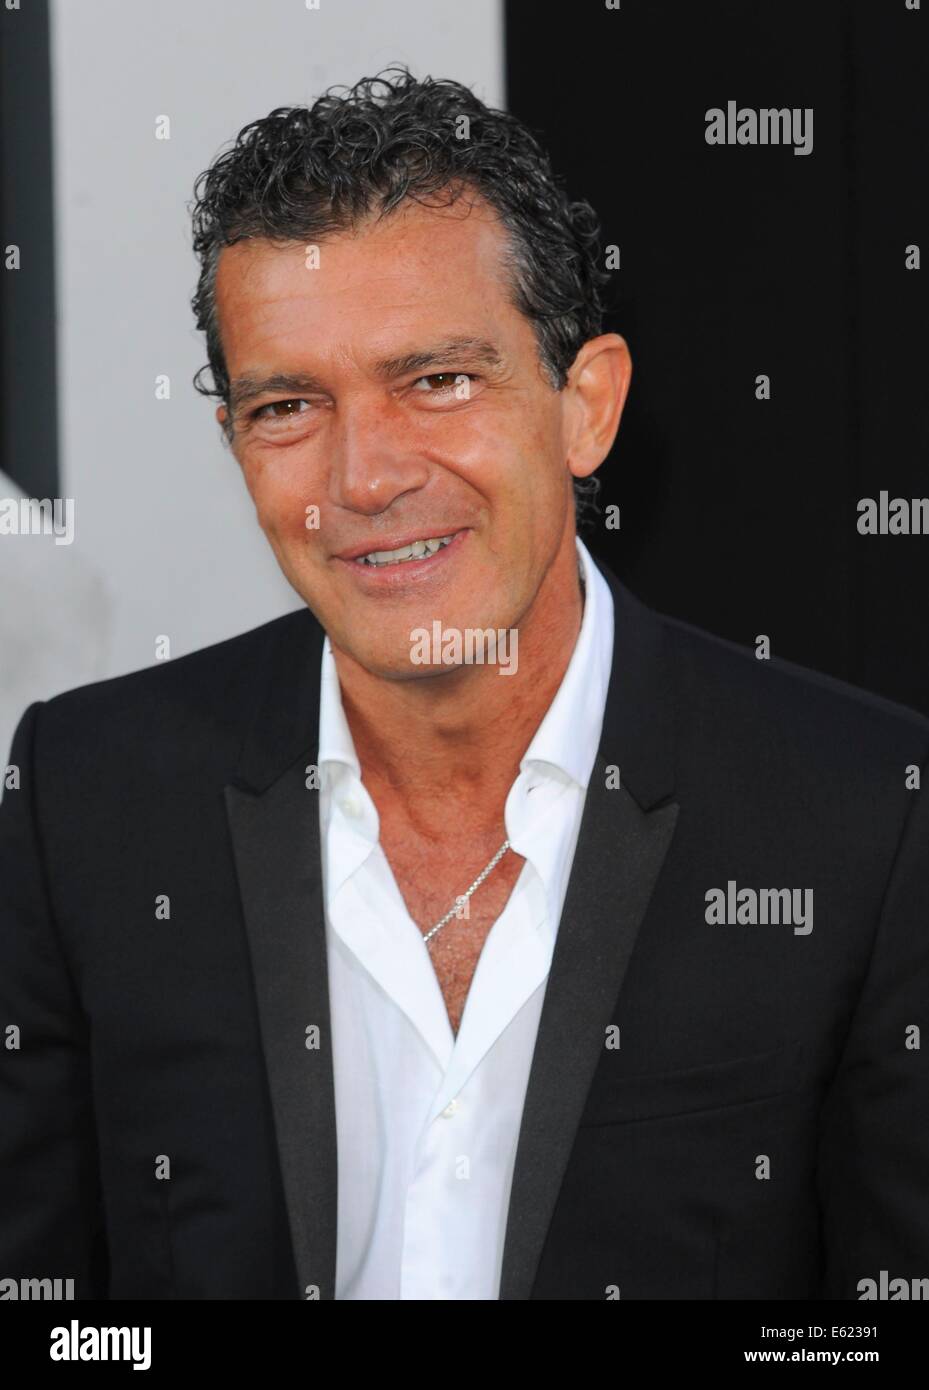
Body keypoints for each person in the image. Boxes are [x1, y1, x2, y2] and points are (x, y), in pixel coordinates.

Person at [1, 67, 927, 1302]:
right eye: (288, 405)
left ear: (583, 406)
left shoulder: (860, 816)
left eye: (436, 379)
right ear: (235, 445)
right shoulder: (88, 799)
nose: (367, 475)